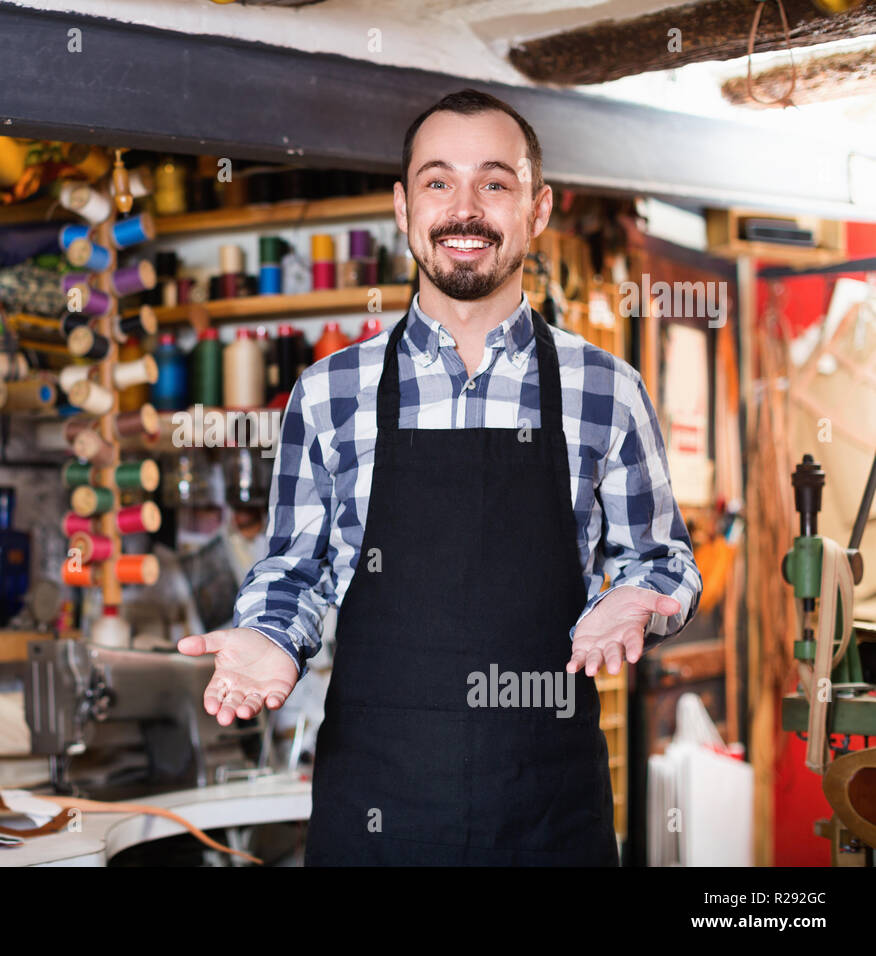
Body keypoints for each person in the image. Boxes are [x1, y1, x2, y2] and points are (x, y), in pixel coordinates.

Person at [177, 89, 703, 865]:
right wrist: (268, 635)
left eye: (494, 182)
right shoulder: (328, 393)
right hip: (376, 812)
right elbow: (295, 570)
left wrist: (639, 599)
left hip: (548, 816)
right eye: (437, 182)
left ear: (538, 208)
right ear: (402, 205)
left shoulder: (606, 389)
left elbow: (664, 561)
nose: (465, 209)